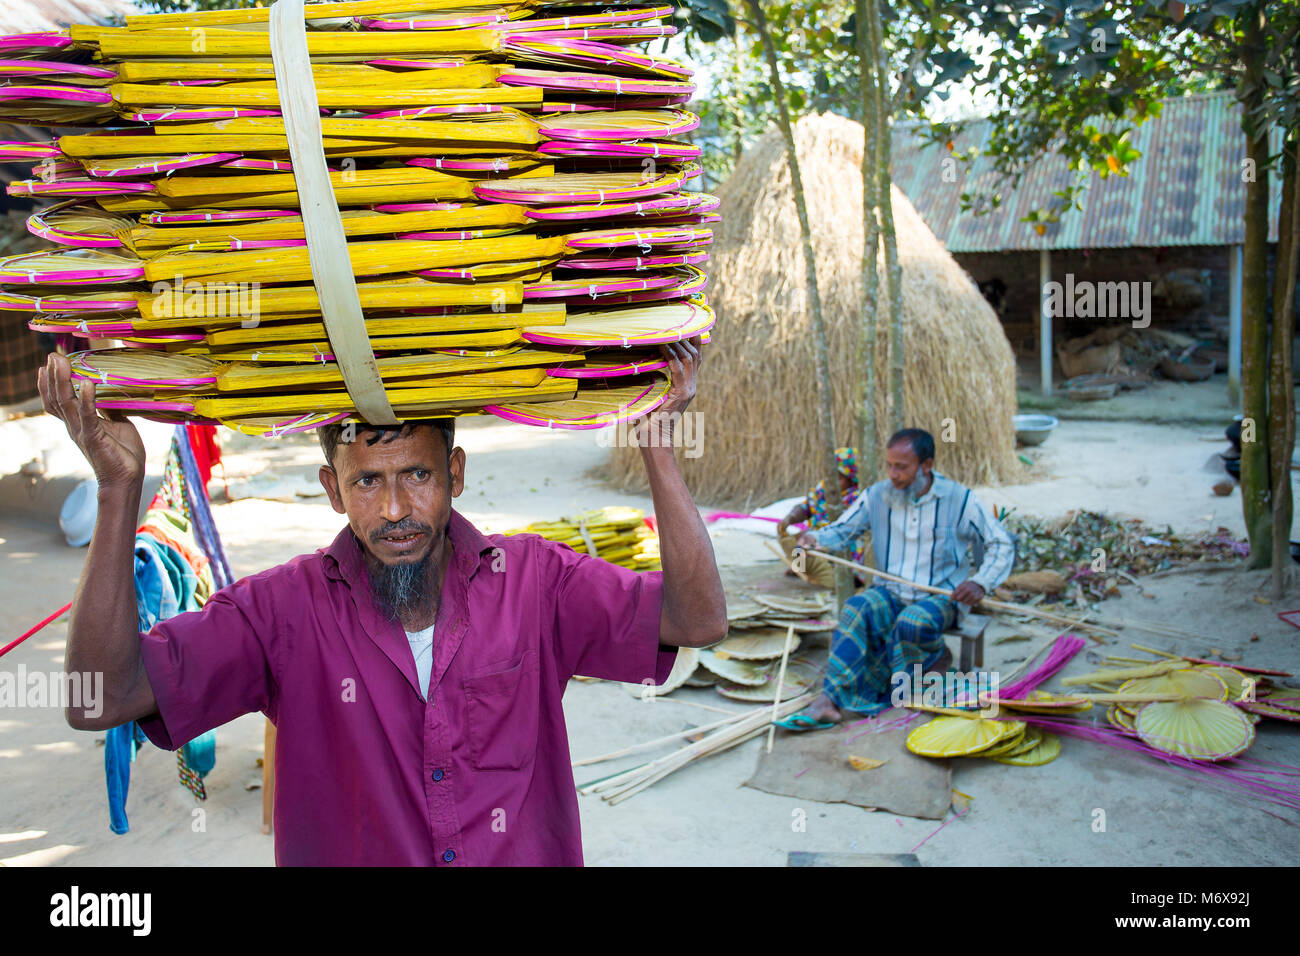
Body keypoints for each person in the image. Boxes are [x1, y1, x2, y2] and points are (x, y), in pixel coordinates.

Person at [39, 336, 726, 866]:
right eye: (367, 482)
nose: (396, 509)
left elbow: (698, 621)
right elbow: (100, 699)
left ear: (455, 474)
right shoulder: (284, 611)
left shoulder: (537, 581)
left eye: (418, 474)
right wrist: (117, 488)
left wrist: (659, 449)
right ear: (332, 489)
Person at [778, 428, 1014, 728]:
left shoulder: (959, 500)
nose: (893, 474)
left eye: (901, 467)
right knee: (854, 609)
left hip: (941, 597)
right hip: (890, 592)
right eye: (889, 465)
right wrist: (815, 538)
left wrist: (981, 581)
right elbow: (843, 529)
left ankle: (935, 660)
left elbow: (1000, 543)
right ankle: (830, 700)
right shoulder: (878, 496)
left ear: (926, 466)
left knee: (912, 622)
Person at [776, 447, 867, 588]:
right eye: (830, 475)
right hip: (816, 540)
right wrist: (790, 518)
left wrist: (819, 537)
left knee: (808, 543)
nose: (832, 481)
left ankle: (846, 577)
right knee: (794, 543)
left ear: (851, 479)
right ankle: (800, 568)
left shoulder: (856, 498)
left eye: (840, 477)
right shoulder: (822, 489)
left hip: (842, 544)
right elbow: (806, 507)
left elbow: (845, 531)